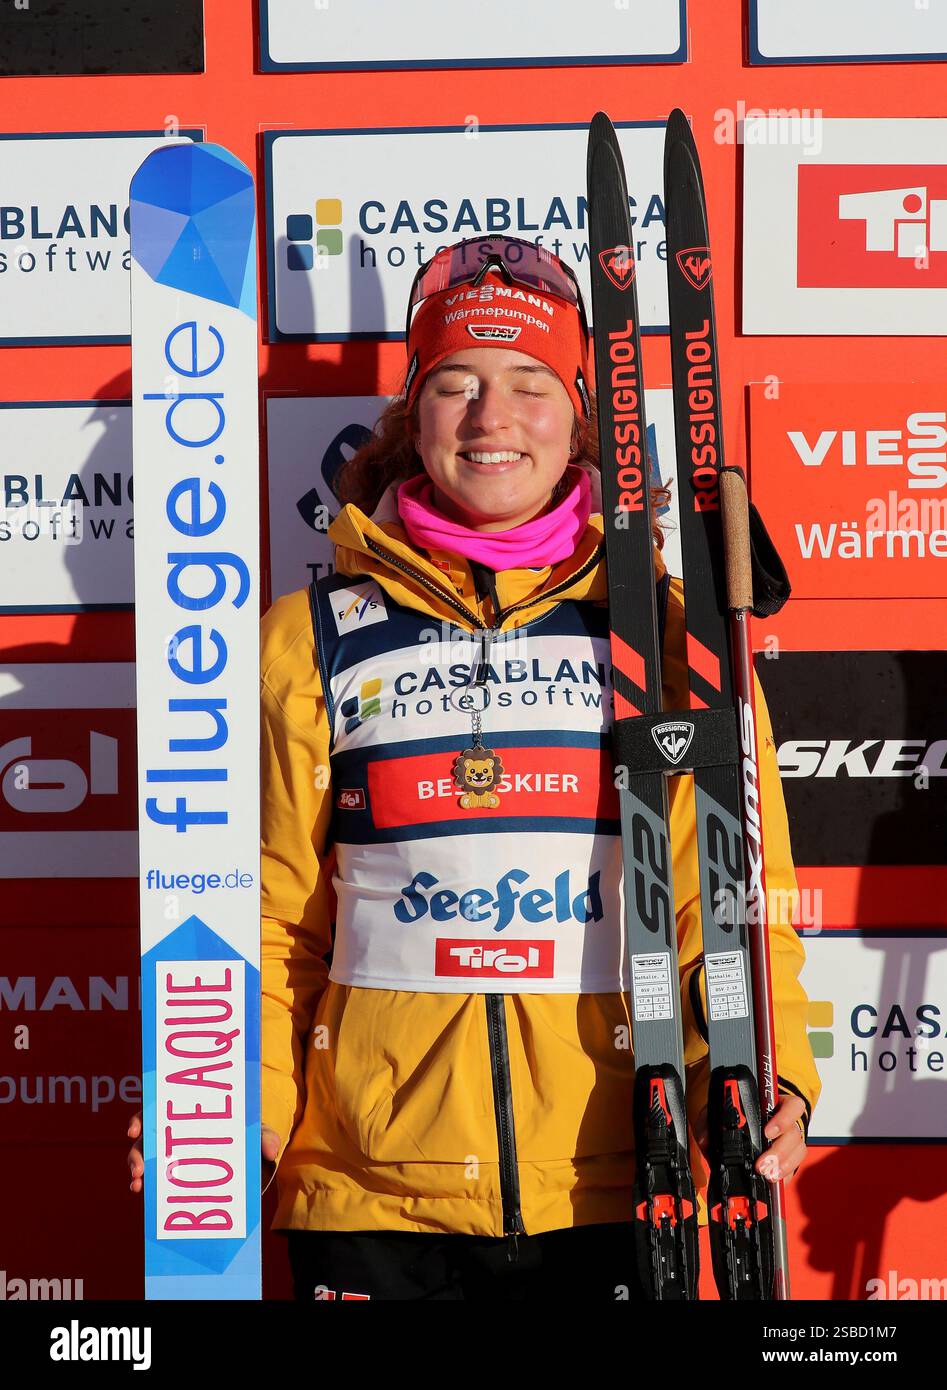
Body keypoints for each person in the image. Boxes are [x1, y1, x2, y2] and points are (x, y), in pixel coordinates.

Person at [129, 235, 819, 1300]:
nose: (491, 419)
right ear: (413, 417)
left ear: (578, 414)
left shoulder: (668, 643)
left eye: (528, 384)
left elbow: (721, 897)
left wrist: (770, 1073)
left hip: (614, 1186)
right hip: (369, 1201)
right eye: (454, 383)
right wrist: (223, 1120)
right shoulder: (303, 642)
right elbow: (259, 920)